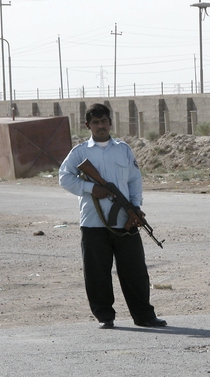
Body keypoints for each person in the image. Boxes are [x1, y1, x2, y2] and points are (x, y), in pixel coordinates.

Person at [59, 103, 166, 329]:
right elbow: (65, 178)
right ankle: (105, 317)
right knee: (97, 272)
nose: (100, 126)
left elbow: (134, 180)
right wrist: (91, 189)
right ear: (88, 125)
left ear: (110, 123)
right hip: (93, 222)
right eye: (95, 122)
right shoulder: (80, 152)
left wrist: (135, 207)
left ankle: (144, 316)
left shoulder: (123, 149)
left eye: (104, 121)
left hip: (125, 221)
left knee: (135, 271)